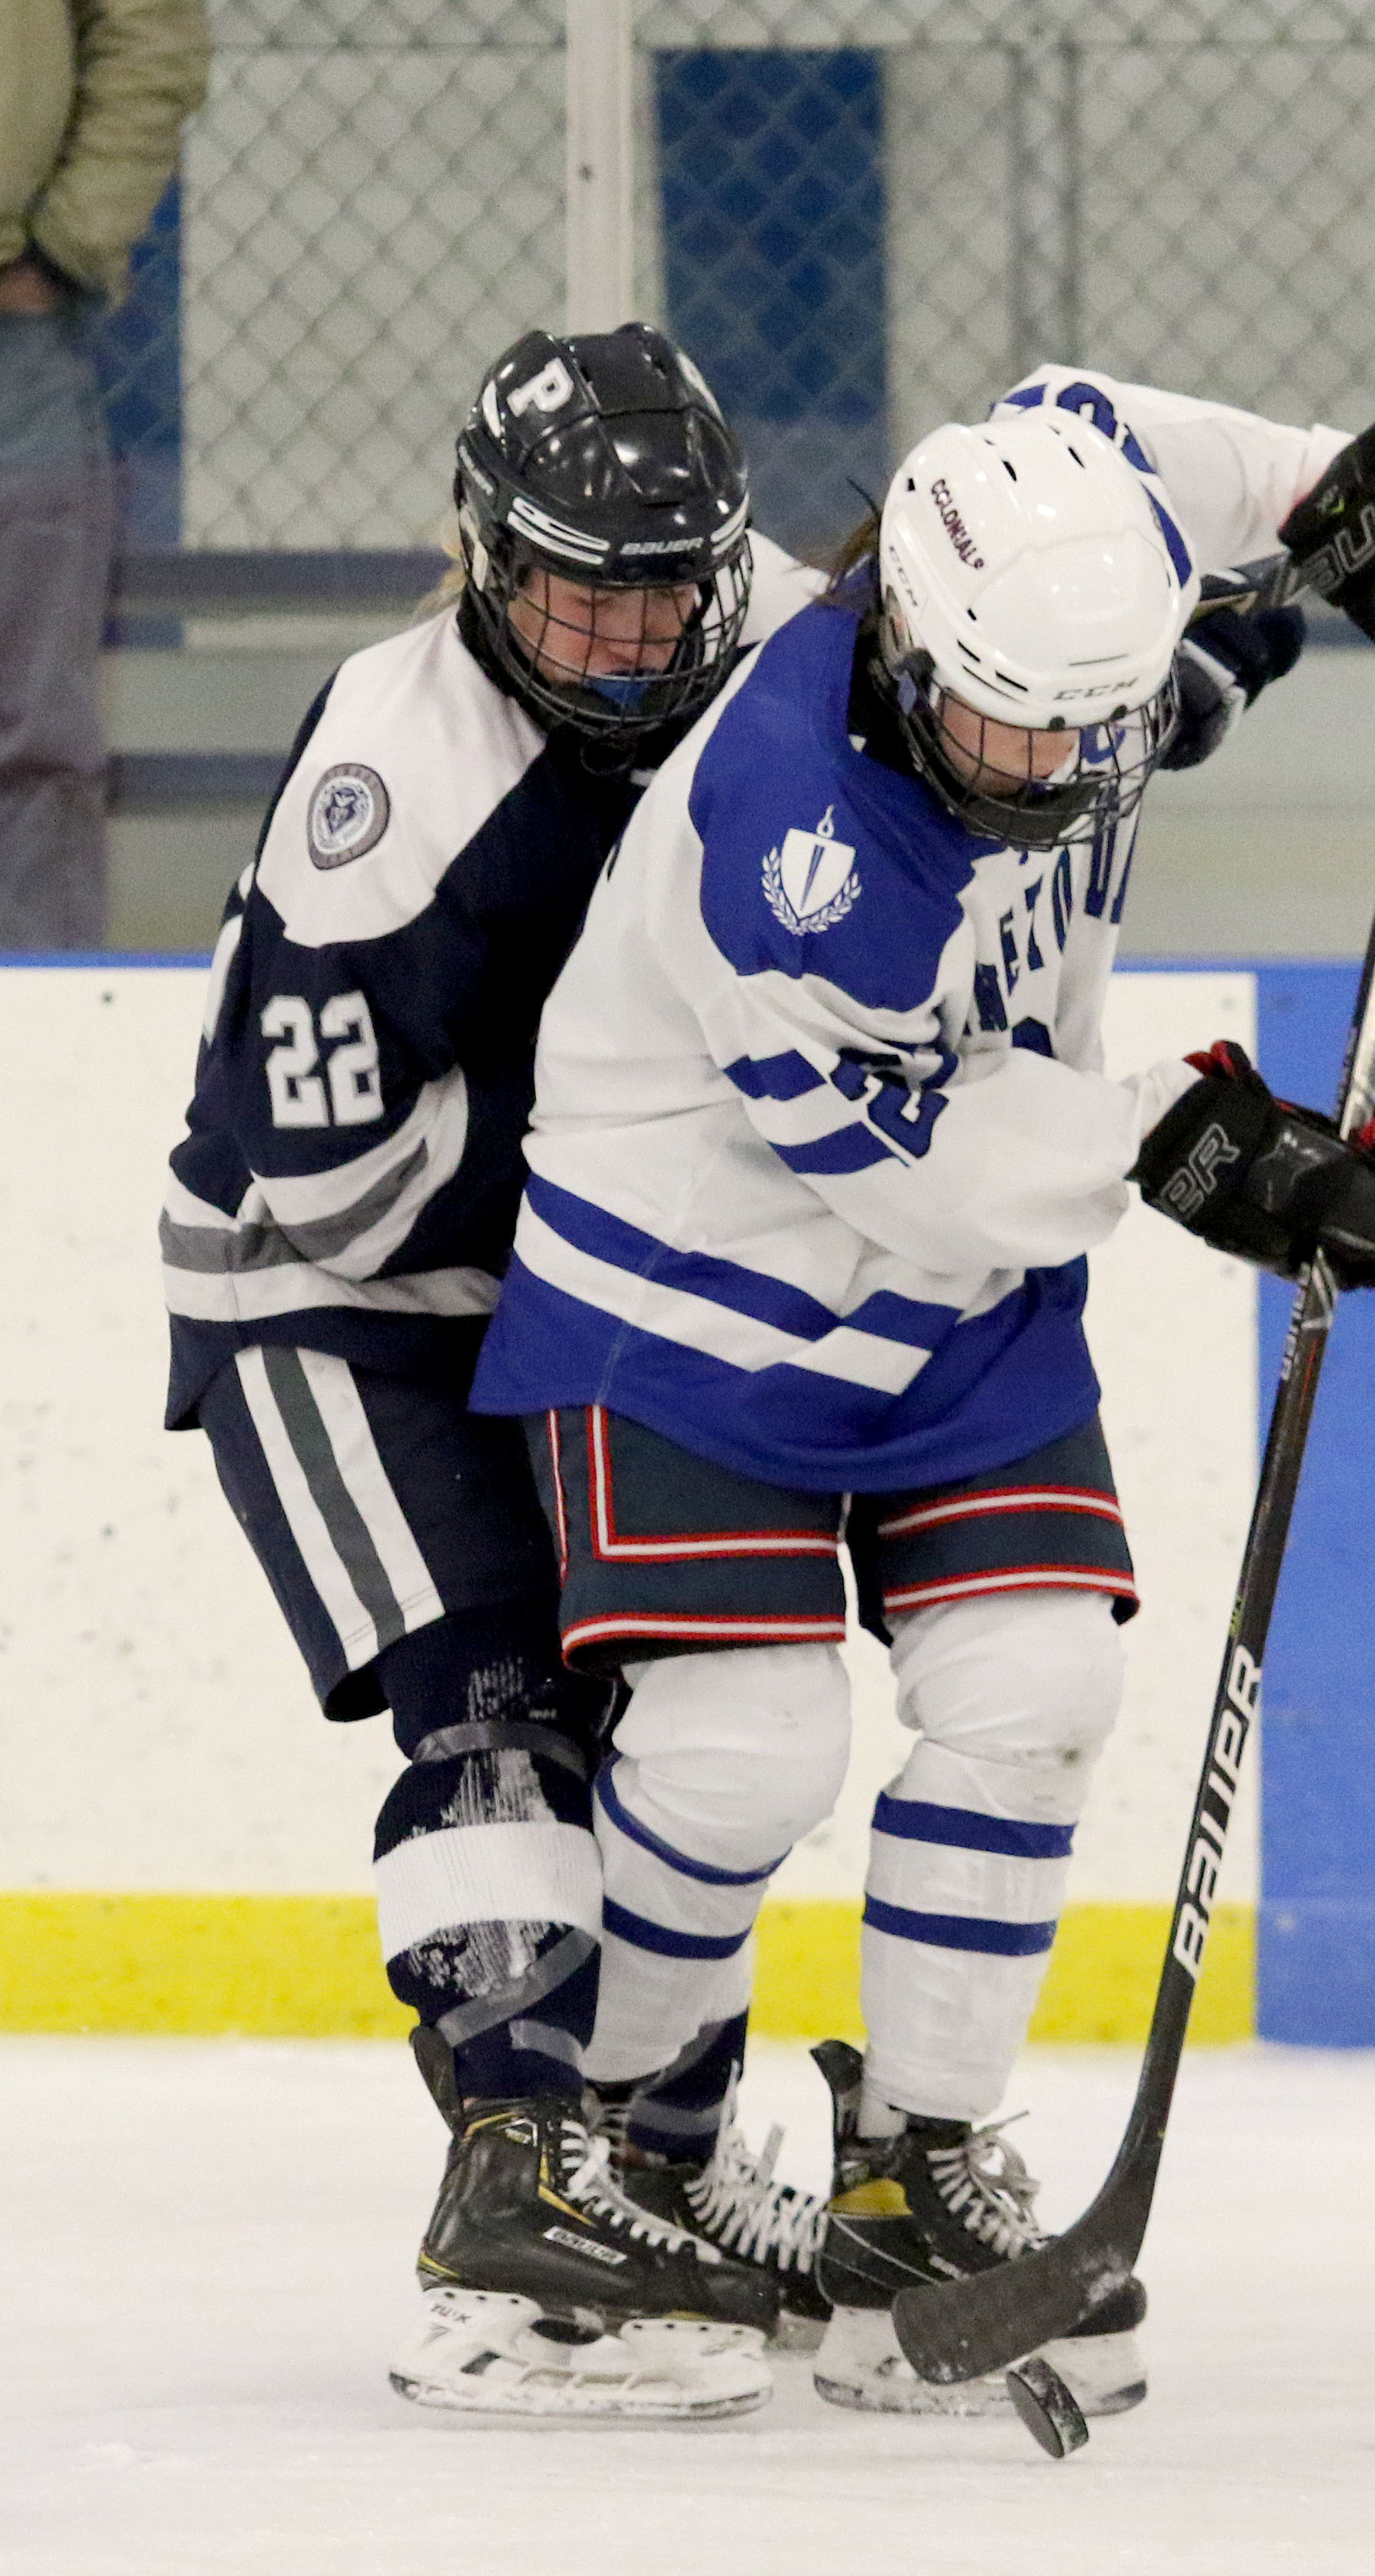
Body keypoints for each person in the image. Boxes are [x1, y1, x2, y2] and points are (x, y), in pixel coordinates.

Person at [159, 326, 1312, 2422]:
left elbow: (962, 722)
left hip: (636, 1260)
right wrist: (634, 1214)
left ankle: (676, 2180)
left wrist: (1153, 675)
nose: (619, 636)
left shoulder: (798, 628)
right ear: (477, 555)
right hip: (356, 1295)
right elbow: (304, 1154)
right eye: (568, 592)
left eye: (666, 586)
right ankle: (535, 2210)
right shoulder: (391, 778)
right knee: (505, 1716)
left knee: (722, 1738)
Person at [462, 369, 1375, 2422]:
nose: (1056, 765)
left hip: (958, 1311)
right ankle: (628, 2158)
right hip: (693, 1295)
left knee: (1042, 1685)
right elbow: (914, 1151)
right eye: (1013, 722)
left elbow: (1168, 448)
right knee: (740, 1747)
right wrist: (1201, 1141)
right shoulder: (784, 848)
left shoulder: (1060, 529)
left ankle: (916, 2174)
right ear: (901, 642)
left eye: (1094, 722)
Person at [3, 0, 208, 946]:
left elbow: (149, 31)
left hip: (12, 336)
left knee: (32, 733)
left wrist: (63, 246)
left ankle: (39, 1057)